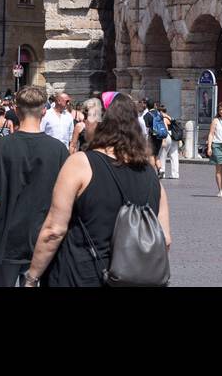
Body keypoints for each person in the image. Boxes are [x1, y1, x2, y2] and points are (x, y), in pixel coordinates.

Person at [23, 93, 169, 287]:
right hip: (132, 280)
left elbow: (54, 231)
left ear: (102, 122)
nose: (84, 121)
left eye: (88, 115)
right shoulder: (151, 176)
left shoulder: (80, 164)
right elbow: (165, 240)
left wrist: (32, 278)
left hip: (81, 275)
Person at [0, 86, 71, 287]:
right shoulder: (59, 150)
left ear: (16, 111)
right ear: (44, 110)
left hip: (6, 239)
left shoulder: (1, 147)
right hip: (44, 241)